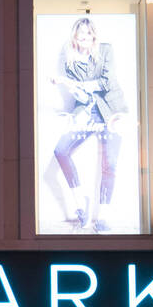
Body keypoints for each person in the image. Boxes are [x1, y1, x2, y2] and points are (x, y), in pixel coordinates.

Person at [49, 16, 128, 232]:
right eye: (80, 34)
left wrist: (80, 85)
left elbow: (107, 82)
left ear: (93, 35)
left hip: (111, 111)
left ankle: (102, 217)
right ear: (75, 36)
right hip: (87, 112)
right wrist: (69, 85)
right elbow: (82, 98)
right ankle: (79, 203)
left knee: (109, 164)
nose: (84, 38)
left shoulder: (106, 50)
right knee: (60, 150)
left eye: (88, 34)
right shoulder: (70, 60)